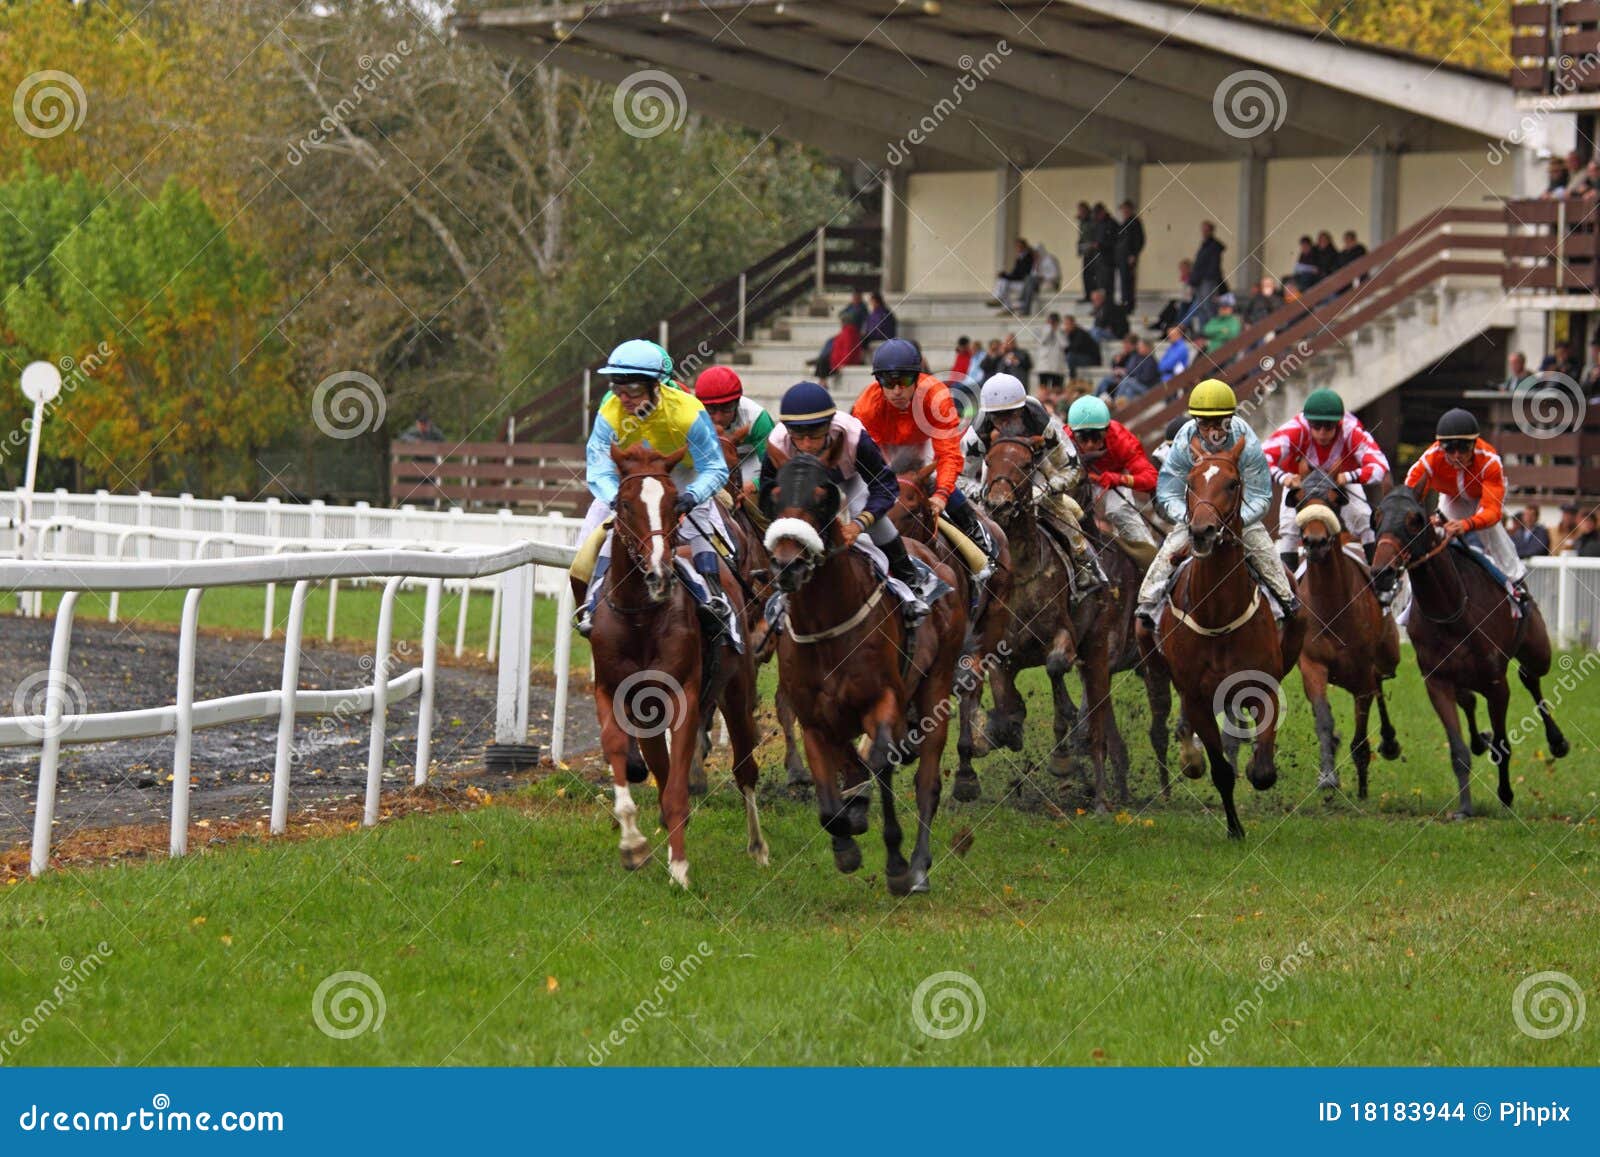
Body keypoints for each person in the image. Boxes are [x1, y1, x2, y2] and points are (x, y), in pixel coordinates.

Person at [575, 338, 735, 639]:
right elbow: (597, 468)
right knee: (586, 544)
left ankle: (715, 596)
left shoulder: (687, 413)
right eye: (616, 387)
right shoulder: (610, 412)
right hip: (630, 486)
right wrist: (616, 499)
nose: (623, 397)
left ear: (656, 385)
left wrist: (693, 495)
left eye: (633, 388)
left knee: (701, 516)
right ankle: (589, 605)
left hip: (681, 476)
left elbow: (714, 467)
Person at [760, 381, 935, 620]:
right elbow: (767, 491)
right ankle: (776, 595)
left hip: (849, 483)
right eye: (799, 437)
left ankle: (911, 586)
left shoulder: (854, 436)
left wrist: (858, 524)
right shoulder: (778, 441)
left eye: (815, 435)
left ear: (829, 425)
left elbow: (885, 486)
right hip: (804, 494)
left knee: (880, 525)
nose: (808, 445)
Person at [1136, 379, 1300, 628]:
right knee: (1170, 548)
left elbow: (1261, 495)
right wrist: (1194, 518)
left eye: (1219, 422)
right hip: (1196, 515)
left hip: (1237, 515)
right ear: (1195, 421)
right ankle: (1148, 604)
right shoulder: (1184, 439)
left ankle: (1285, 601)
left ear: (1231, 418)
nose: (1212, 429)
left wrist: (1233, 522)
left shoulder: (1246, 438)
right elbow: (1168, 491)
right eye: (1204, 422)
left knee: (1263, 549)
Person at [854, 338, 998, 573]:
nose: (897, 390)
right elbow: (870, 458)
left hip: (927, 448)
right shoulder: (867, 405)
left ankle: (976, 533)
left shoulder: (936, 396)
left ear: (917, 377)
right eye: (888, 383)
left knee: (944, 489)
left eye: (905, 381)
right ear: (878, 382)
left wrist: (941, 494)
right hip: (887, 453)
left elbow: (949, 454)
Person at [964, 373, 1103, 595]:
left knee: (1066, 518)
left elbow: (1072, 468)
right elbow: (958, 476)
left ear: (1021, 410)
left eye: (1010, 414)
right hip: (995, 475)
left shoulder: (1043, 423)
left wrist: (1044, 491)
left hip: (1038, 471)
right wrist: (983, 493)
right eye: (998, 417)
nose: (1004, 422)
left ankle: (1084, 564)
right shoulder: (977, 431)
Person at [1404, 408, 1528, 602]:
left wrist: (1467, 524)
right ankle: (1412, 598)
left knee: (1493, 532)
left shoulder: (1490, 461)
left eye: (1463, 448)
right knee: (1432, 535)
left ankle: (1517, 584)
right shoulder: (1429, 459)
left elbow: (1492, 511)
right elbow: (1407, 498)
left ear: (1474, 443)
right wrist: (1421, 520)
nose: (1456, 455)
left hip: (1482, 499)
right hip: (1452, 497)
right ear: (1440, 445)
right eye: (1449, 448)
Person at [1261, 387, 1391, 566]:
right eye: (1316, 425)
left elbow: (1380, 466)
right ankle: (1286, 590)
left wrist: (1350, 476)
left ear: (1339, 422)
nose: (1322, 432)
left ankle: (1379, 582)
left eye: (1329, 426)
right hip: (1300, 481)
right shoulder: (1296, 428)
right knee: (1288, 527)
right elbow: (1260, 457)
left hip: (1340, 481)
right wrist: (1284, 478)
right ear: (1308, 422)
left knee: (1364, 519)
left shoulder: (1351, 429)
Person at [1064, 394, 1159, 568]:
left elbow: (1152, 479)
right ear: (1072, 433)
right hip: (1073, 483)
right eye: (1083, 437)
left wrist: (1118, 479)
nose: (1090, 444)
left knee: (1118, 509)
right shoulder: (1063, 439)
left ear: (1107, 431)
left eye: (1096, 436)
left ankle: (1152, 563)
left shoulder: (1122, 439)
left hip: (1110, 483)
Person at [693, 366, 774, 491]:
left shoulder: (757, 418)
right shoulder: (692, 415)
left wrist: (756, 484)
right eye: (711, 410)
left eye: (726, 409)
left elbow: (773, 466)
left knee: (750, 493)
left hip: (750, 459)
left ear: (737, 403)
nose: (718, 418)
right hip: (709, 461)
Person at [1187, 221, 1226, 328]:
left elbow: (1211, 266)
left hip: (1208, 281)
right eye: (1203, 230)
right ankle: (1205, 332)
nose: (1204, 232)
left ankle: (1213, 330)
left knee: (1209, 307)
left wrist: (1205, 277)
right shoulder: (1204, 245)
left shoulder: (1213, 246)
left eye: (1206, 230)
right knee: (1201, 308)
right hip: (1199, 281)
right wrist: (1193, 281)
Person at [1114, 199, 1145, 310]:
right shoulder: (1125, 223)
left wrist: (1133, 254)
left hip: (1128, 257)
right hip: (1122, 257)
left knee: (1128, 281)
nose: (1124, 211)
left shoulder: (1135, 223)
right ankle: (1124, 302)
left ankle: (1128, 305)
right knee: (1123, 281)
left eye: (1126, 209)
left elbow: (1139, 240)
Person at [992, 238, 1035, 310]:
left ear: (1024, 246)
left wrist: (1005, 276)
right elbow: (1015, 273)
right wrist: (1004, 275)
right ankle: (1005, 306)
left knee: (1004, 282)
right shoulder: (1020, 258)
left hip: (1025, 284)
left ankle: (999, 299)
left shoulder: (1028, 257)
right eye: (1017, 246)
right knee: (1003, 282)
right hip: (1019, 281)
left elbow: (1021, 274)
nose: (1018, 248)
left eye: (1019, 246)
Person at [1154, 258, 1194, 333]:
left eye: (1183, 269)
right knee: (1172, 305)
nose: (1182, 271)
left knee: (1174, 308)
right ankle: (1163, 324)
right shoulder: (1183, 278)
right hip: (1184, 299)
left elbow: (1190, 294)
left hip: (1188, 301)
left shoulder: (1192, 279)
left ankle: (1163, 324)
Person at [1118, 338, 1160, 402]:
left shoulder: (1151, 361)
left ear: (1147, 348)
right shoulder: (1139, 358)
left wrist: (1135, 378)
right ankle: (1125, 408)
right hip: (1139, 385)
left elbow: (1145, 379)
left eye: (1141, 346)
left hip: (1148, 389)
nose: (1138, 348)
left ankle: (1116, 401)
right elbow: (1132, 371)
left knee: (1127, 381)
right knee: (1129, 390)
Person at [1035, 313, 1067, 390]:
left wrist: (1057, 330)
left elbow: (1064, 344)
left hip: (1057, 366)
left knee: (1056, 390)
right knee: (1043, 389)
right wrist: (1049, 329)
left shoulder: (1061, 332)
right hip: (1044, 365)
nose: (1052, 324)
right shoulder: (1041, 330)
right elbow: (1042, 340)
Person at [1075, 201, 1095, 301]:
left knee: (1092, 275)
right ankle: (1087, 295)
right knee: (1086, 275)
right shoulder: (1082, 222)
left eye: (1082, 210)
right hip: (1085, 252)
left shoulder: (1092, 221)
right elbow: (1081, 237)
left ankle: (1092, 296)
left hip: (1093, 252)